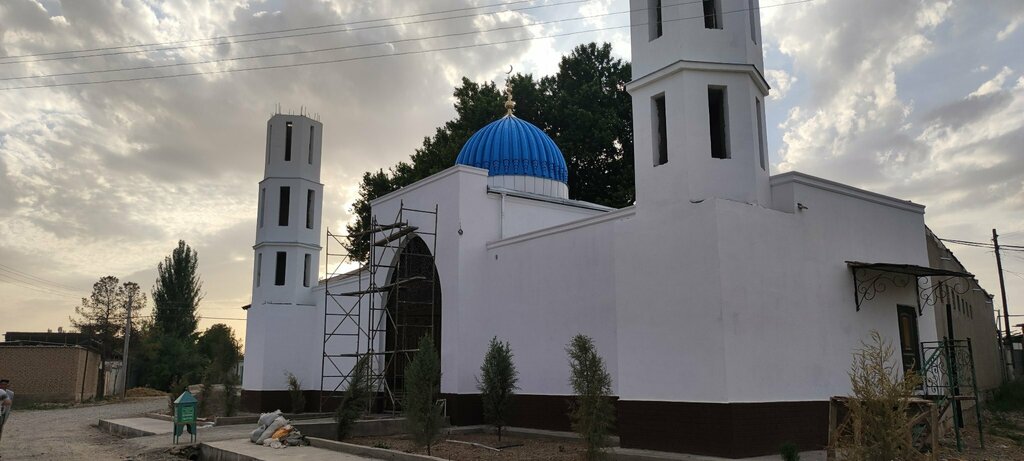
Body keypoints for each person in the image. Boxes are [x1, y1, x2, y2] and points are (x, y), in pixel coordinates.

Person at [0, 378, 12, 447]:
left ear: (7, 385)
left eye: (5, 384)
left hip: (4, 413)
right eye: (2, 384)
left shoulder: (10, 393)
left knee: (1, 428)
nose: (3, 386)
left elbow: (9, 402)